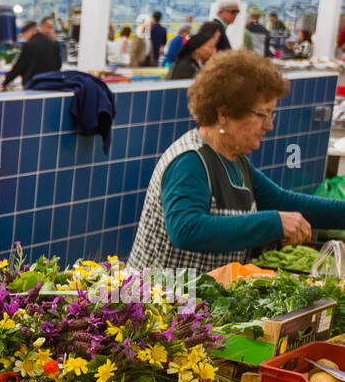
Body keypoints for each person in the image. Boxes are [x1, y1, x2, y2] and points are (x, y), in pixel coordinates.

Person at [129, 50, 345, 272]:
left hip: (207, 297)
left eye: (272, 115)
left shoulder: (234, 160)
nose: (269, 125)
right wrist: (273, 223)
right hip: (162, 298)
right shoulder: (189, 161)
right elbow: (186, 229)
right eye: (263, 114)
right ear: (224, 114)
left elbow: (282, 201)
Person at [2, 20, 61, 88]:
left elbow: (19, 67)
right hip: (51, 84)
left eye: (24, 35)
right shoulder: (54, 44)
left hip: (34, 84)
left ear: (30, 32)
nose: (24, 38)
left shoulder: (29, 45)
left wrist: (5, 83)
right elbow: (58, 65)